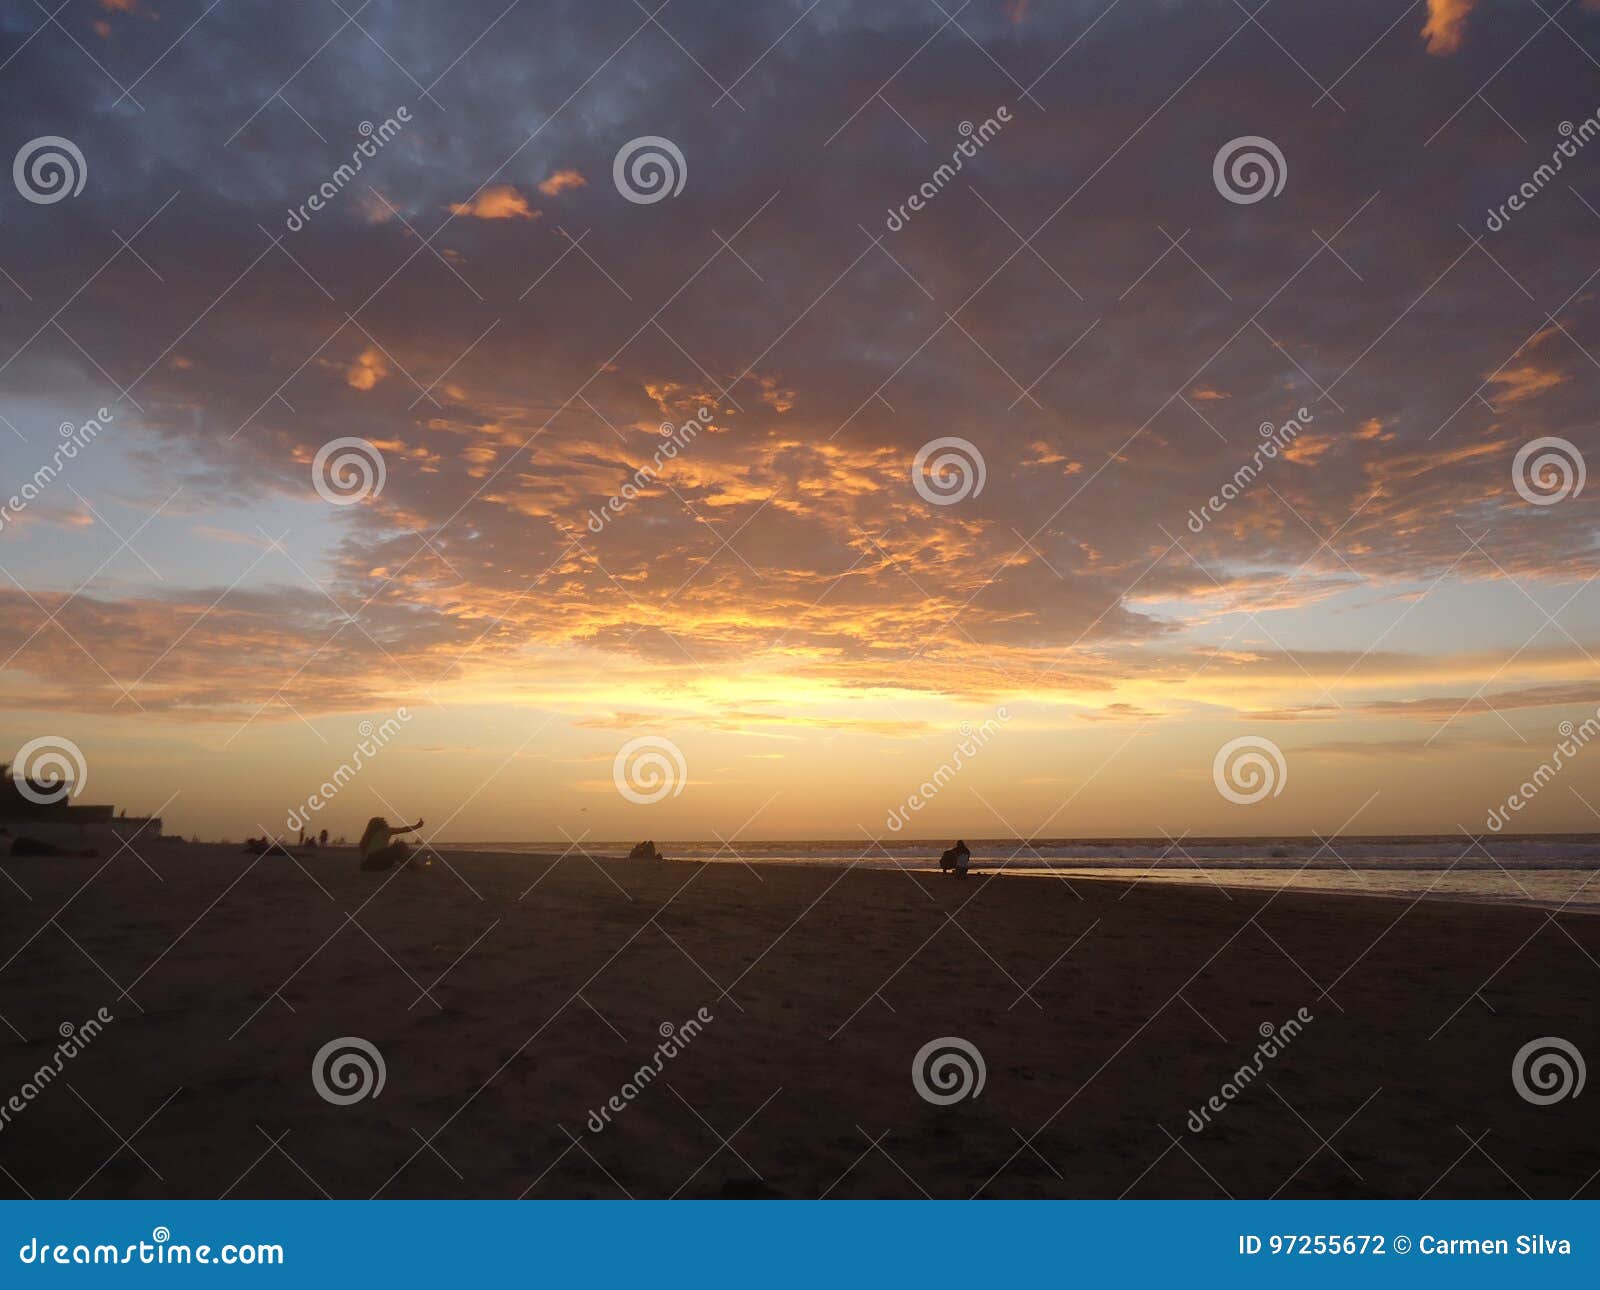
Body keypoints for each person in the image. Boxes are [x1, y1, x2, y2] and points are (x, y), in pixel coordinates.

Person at [359, 816, 425, 871]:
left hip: (367, 865)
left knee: (397, 847)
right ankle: (416, 867)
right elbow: (404, 829)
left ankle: (415, 866)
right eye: (384, 822)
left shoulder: (367, 836)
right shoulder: (385, 831)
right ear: (381, 825)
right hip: (378, 862)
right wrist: (417, 826)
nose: (387, 823)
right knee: (401, 845)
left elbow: (366, 854)